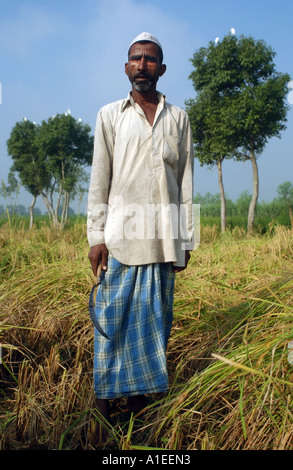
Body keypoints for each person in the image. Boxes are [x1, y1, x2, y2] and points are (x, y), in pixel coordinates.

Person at [87, 32, 194, 445]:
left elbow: (185, 181)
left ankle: (140, 417)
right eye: (135, 58)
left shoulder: (178, 119)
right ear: (126, 67)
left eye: (150, 59)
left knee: (153, 332)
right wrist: (96, 236)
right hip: (119, 241)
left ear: (161, 69)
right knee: (111, 328)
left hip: (163, 241)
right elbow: (99, 180)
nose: (142, 65)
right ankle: (103, 413)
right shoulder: (109, 115)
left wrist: (186, 240)